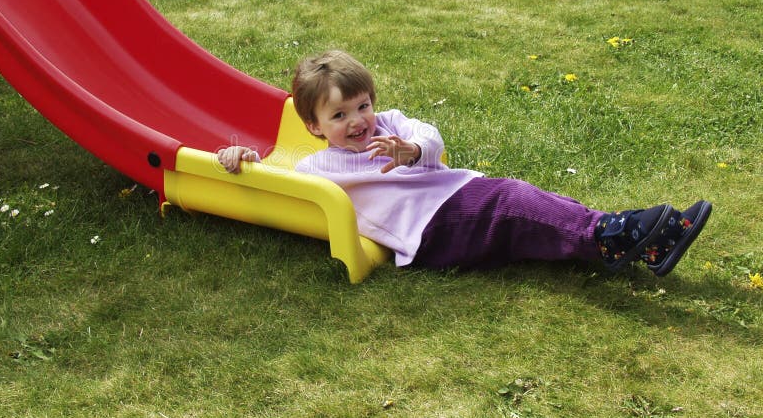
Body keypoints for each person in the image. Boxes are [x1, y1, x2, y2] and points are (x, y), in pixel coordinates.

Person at [218, 50, 711, 276]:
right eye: (340, 115)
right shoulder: (319, 169)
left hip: (454, 195)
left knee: (530, 203)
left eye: (362, 106)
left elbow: (429, 137)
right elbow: (281, 188)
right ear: (314, 126)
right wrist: (242, 158)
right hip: (429, 231)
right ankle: (612, 234)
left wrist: (408, 150)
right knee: (515, 204)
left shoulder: (390, 123)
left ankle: (633, 243)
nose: (358, 121)